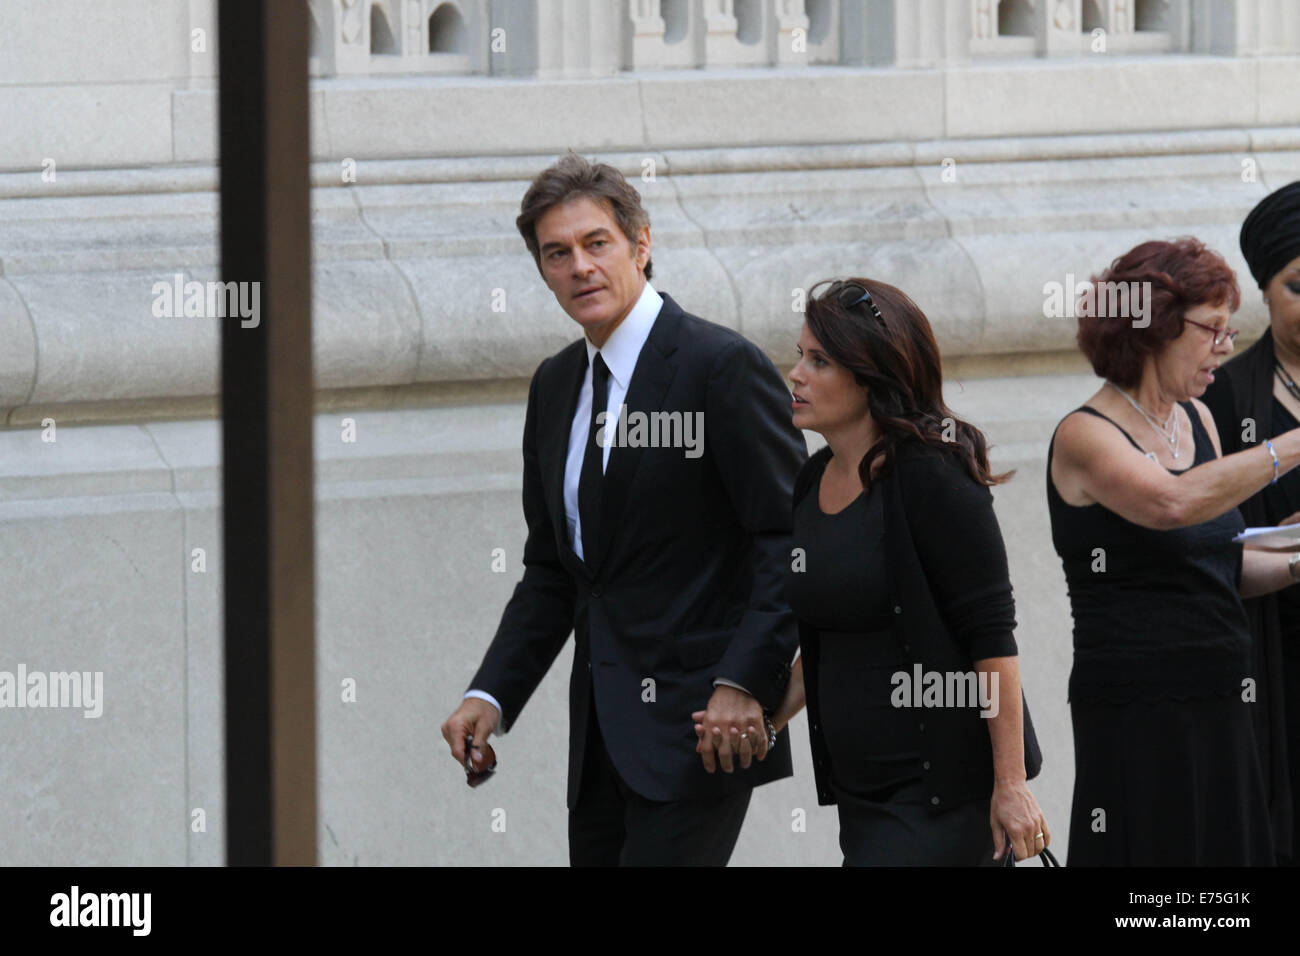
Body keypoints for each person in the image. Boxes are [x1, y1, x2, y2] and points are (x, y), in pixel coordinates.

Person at [439, 153, 807, 866]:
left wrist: (743, 684)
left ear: (641, 244)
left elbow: (789, 541)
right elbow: (554, 571)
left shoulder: (719, 368)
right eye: (557, 253)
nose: (579, 266)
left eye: (596, 243)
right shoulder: (554, 387)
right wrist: (492, 693)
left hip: (705, 730)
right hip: (602, 744)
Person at [745, 277, 1048, 866]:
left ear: (871, 374)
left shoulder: (931, 475)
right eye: (800, 355)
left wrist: (1010, 786)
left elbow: (992, 638)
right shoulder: (812, 482)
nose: (796, 375)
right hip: (862, 799)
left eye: (820, 360)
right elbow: (830, 639)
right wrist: (764, 718)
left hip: (941, 798)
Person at [1048, 235, 1300, 866]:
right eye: (1212, 328)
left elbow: (1224, 565)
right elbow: (1172, 505)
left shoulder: (1198, 420)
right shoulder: (1086, 434)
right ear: (1153, 328)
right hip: (1142, 709)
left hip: (1219, 697)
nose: (1227, 344)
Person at [1203, 180, 1300, 865]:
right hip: (1273, 653)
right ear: (1265, 290)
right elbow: (1207, 546)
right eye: (1299, 286)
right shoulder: (1226, 395)